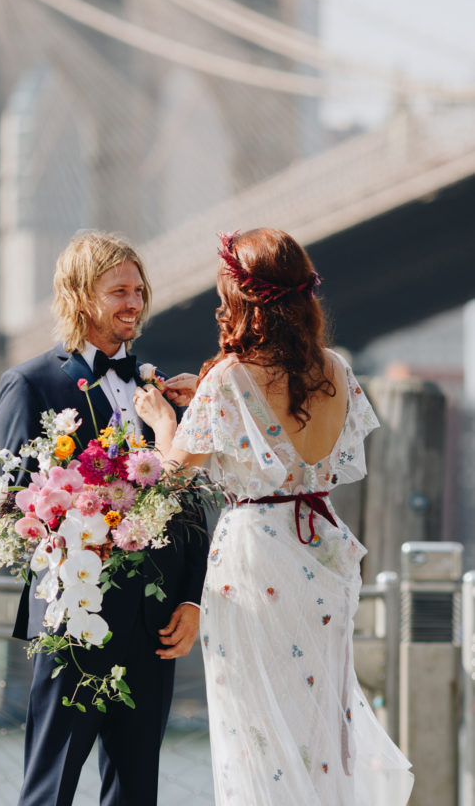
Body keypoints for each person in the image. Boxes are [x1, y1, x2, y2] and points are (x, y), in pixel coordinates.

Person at [134, 227, 414, 805]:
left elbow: (170, 480)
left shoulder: (229, 379)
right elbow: (291, 442)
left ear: (243, 301)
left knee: (254, 726)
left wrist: (165, 423)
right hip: (324, 552)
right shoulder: (335, 369)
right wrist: (207, 405)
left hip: (256, 555)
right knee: (318, 721)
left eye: (223, 295)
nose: (218, 306)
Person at [0, 230, 208, 806]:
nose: (134, 303)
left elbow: (190, 502)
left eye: (139, 290)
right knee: (50, 790)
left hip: (154, 626)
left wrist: (191, 600)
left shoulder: (158, 392)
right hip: (74, 618)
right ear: (81, 295)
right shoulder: (30, 384)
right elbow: (20, 506)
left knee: (136, 793)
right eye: (119, 291)